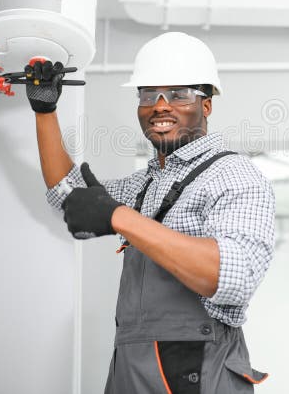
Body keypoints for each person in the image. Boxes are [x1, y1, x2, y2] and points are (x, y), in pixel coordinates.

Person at [25, 31, 276, 393]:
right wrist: (45, 112)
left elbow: (233, 277)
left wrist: (119, 217)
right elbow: (68, 197)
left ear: (206, 105)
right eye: (148, 94)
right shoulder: (145, 184)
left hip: (196, 368)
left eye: (178, 94)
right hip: (131, 363)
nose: (160, 105)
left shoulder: (233, 174)